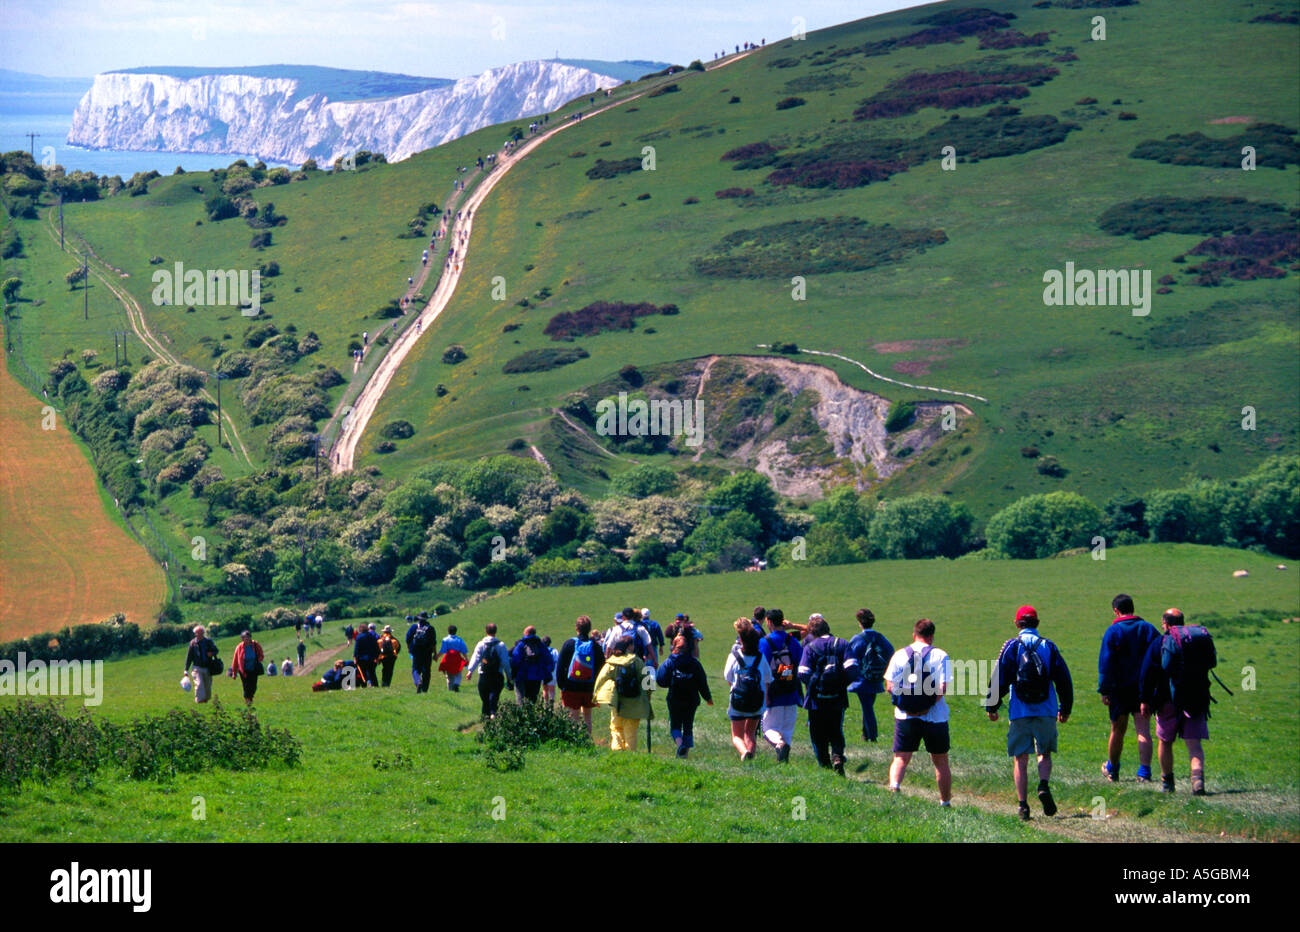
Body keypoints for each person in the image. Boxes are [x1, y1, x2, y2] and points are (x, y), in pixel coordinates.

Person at [984, 606, 1074, 821]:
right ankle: (1043, 785)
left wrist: (992, 706)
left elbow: (1000, 678)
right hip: (1047, 709)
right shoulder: (1048, 646)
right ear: (1037, 623)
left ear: (1017, 624)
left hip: (1019, 711)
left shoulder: (1012, 647)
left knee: (1020, 758)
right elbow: (1063, 680)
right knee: (1044, 753)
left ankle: (1023, 806)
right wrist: (1065, 707)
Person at [1140, 609, 1217, 795]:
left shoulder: (1160, 643)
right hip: (1196, 698)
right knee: (1194, 744)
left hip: (1167, 701)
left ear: (1165, 624)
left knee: (1165, 741)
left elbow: (1147, 673)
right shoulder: (1195, 640)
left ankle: (1167, 783)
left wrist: (1145, 699)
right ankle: (1197, 781)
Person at [885, 619, 954, 805]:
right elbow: (942, 689)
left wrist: (908, 706)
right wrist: (925, 707)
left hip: (905, 716)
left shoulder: (900, 655)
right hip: (935, 717)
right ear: (931, 637)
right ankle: (945, 802)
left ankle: (894, 788)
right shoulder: (940, 655)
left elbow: (890, 686)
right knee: (940, 762)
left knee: (901, 757)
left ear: (914, 634)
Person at [1099, 594, 1161, 783]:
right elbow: (1159, 656)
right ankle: (1144, 772)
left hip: (1119, 689)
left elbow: (1105, 663)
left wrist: (1104, 689)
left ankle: (1113, 769)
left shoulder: (1113, 631)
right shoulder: (1148, 629)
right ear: (1133, 608)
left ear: (1116, 611)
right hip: (1144, 689)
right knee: (1143, 730)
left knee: (1117, 730)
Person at [798, 614, 859, 773]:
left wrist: (813, 685)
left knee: (818, 734)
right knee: (836, 730)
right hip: (837, 698)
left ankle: (824, 766)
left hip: (816, 701)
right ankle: (838, 756)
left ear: (812, 632)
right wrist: (842, 684)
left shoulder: (809, 647)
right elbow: (853, 670)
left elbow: (803, 673)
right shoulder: (842, 644)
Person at [723, 619, 772, 760]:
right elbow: (768, 679)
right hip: (756, 702)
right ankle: (750, 758)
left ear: (741, 640)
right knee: (750, 734)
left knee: (736, 736)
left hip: (738, 701)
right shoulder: (760, 658)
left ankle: (744, 753)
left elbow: (728, 677)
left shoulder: (735, 656)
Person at [656, 635, 712, 757]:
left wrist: (670, 682)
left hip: (674, 698)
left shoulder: (670, 662)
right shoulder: (695, 664)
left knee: (675, 725)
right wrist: (708, 698)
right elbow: (702, 682)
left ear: (673, 647)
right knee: (688, 725)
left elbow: (660, 680)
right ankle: (684, 753)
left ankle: (680, 744)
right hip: (691, 700)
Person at [759, 609, 802, 761]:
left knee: (768, 729)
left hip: (773, 692)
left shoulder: (765, 642)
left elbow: (762, 670)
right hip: (791, 691)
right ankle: (784, 759)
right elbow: (798, 664)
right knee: (787, 729)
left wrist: (765, 696)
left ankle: (779, 745)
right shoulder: (793, 642)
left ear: (769, 622)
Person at [593, 636, 650, 751]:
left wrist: (595, 696)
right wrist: (648, 696)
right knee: (631, 730)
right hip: (635, 701)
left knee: (616, 727)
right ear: (629, 647)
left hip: (617, 701)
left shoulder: (612, 662)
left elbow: (600, 679)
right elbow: (647, 681)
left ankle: (617, 750)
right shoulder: (637, 661)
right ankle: (630, 753)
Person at [847, 609, 894, 743]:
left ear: (860, 623)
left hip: (862, 679)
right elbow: (890, 652)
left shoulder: (857, 639)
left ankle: (872, 736)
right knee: (867, 706)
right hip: (876, 678)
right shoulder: (880, 637)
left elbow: (850, 657)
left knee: (867, 707)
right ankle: (865, 734)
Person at [556, 616, 605, 735]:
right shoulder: (595, 647)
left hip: (571, 687)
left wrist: (562, 684)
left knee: (573, 716)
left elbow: (561, 665)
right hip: (589, 687)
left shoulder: (569, 644)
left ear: (576, 628)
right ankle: (587, 740)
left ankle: (575, 742)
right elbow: (601, 667)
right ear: (589, 629)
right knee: (587, 717)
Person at [466, 623, 513, 718]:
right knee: (494, 695)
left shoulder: (481, 644)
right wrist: (509, 676)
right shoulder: (501, 645)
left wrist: (470, 671)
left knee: (485, 698)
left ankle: (486, 717)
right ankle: (493, 713)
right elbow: (505, 662)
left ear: (486, 631)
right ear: (495, 631)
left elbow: (476, 658)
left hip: (484, 675)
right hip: (497, 674)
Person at [509, 625, 554, 704]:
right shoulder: (540, 644)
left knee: (521, 701)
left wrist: (513, 673)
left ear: (526, 633)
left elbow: (515, 660)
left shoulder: (521, 644)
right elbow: (549, 659)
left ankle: (522, 715)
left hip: (521, 677)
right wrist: (546, 672)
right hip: (536, 677)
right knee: (532, 700)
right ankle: (531, 715)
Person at [184, 625, 220, 703]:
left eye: (200, 633)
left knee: (207, 686)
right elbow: (189, 657)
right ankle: (199, 701)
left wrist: (212, 653)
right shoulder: (193, 643)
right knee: (199, 684)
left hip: (207, 667)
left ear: (203, 633)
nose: (199, 635)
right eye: (197, 633)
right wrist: (186, 669)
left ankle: (205, 701)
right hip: (196, 668)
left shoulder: (208, 641)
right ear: (195, 634)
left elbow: (216, 650)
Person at [406, 612, 439, 693]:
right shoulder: (430, 628)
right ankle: (424, 689)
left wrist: (409, 649)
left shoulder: (414, 627)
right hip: (427, 652)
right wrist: (435, 654)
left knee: (415, 669)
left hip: (416, 652)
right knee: (426, 670)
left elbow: (407, 639)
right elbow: (433, 642)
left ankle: (418, 682)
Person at [232, 630, 264, 707]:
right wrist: (234, 672)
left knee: (253, 686)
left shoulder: (255, 644)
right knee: (246, 686)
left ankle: (250, 698)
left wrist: (258, 660)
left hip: (254, 669)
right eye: (244, 638)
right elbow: (235, 660)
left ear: (250, 637)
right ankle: (248, 701)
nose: (246, 640)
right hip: (244, 670)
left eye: (247, 638)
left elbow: (261, 654)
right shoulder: (239, 647)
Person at [438, 624, 469, 690]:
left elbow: (443, 651)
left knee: (449, 676)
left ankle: (450, 690)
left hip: (448, 658)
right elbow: (464, 651)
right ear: (456, 631)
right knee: (458, 674)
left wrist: (437, 656)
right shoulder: (459, 640)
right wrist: (466, 659)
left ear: (448, 631)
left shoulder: (445, 639)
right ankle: (456, 684)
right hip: (457, 658)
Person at [353, 622, 380, 688]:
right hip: (371, 658)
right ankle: (375, 685)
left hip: (362, 659)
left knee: (363, 673)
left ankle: (364, 685)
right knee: (372, 673)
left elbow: (357, 649)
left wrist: (355, 658)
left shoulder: (359, 637)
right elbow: (376, 647)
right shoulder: (372, 636)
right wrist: (377, 657)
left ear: (360, 630)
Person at [542, 635, 559, 705]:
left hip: (543, 673)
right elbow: (557, 661)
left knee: (545, 689)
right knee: (552, 689)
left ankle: (546, 703)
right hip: (552, 672)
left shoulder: (541, 651)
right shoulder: (554, 651)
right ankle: (551, 700)